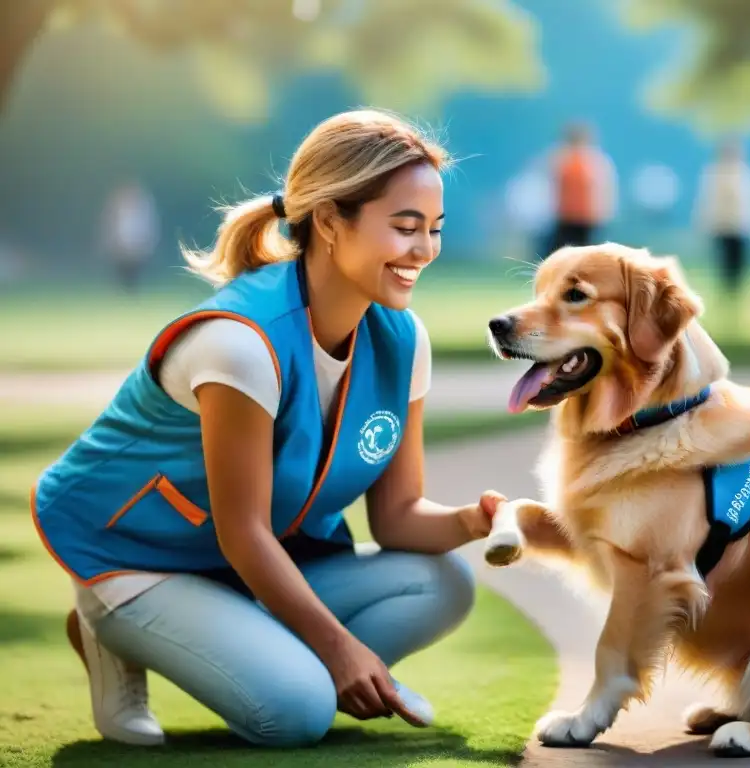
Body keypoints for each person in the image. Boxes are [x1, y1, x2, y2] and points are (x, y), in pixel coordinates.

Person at [32, 109, 505, 748]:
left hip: (245, 565)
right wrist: (338, 652)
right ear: (333, 222)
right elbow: (244, 532)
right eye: (405, 227)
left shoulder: (402, 338)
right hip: (135, 556)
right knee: (298, 713)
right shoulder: (240, 344)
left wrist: (479, 519)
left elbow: (396, 518)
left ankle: (255, 649)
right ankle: (107, 624)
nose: (425, 250)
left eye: (434, 229)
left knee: (446, 581)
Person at [691, 137, 750, 321]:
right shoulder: (714, 174)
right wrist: (704, 225)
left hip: (741, 228)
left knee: (739, 266)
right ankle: (727, 298)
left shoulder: (744, 175)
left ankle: (735, 298)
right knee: (725, 266)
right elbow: (706, 203)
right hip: (722, 228)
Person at [545, 122, 616, 255]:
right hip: (567, 216)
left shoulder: (593, 160)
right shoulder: (563, 159)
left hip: (585, 217)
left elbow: (603, 190)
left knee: (582, 252)